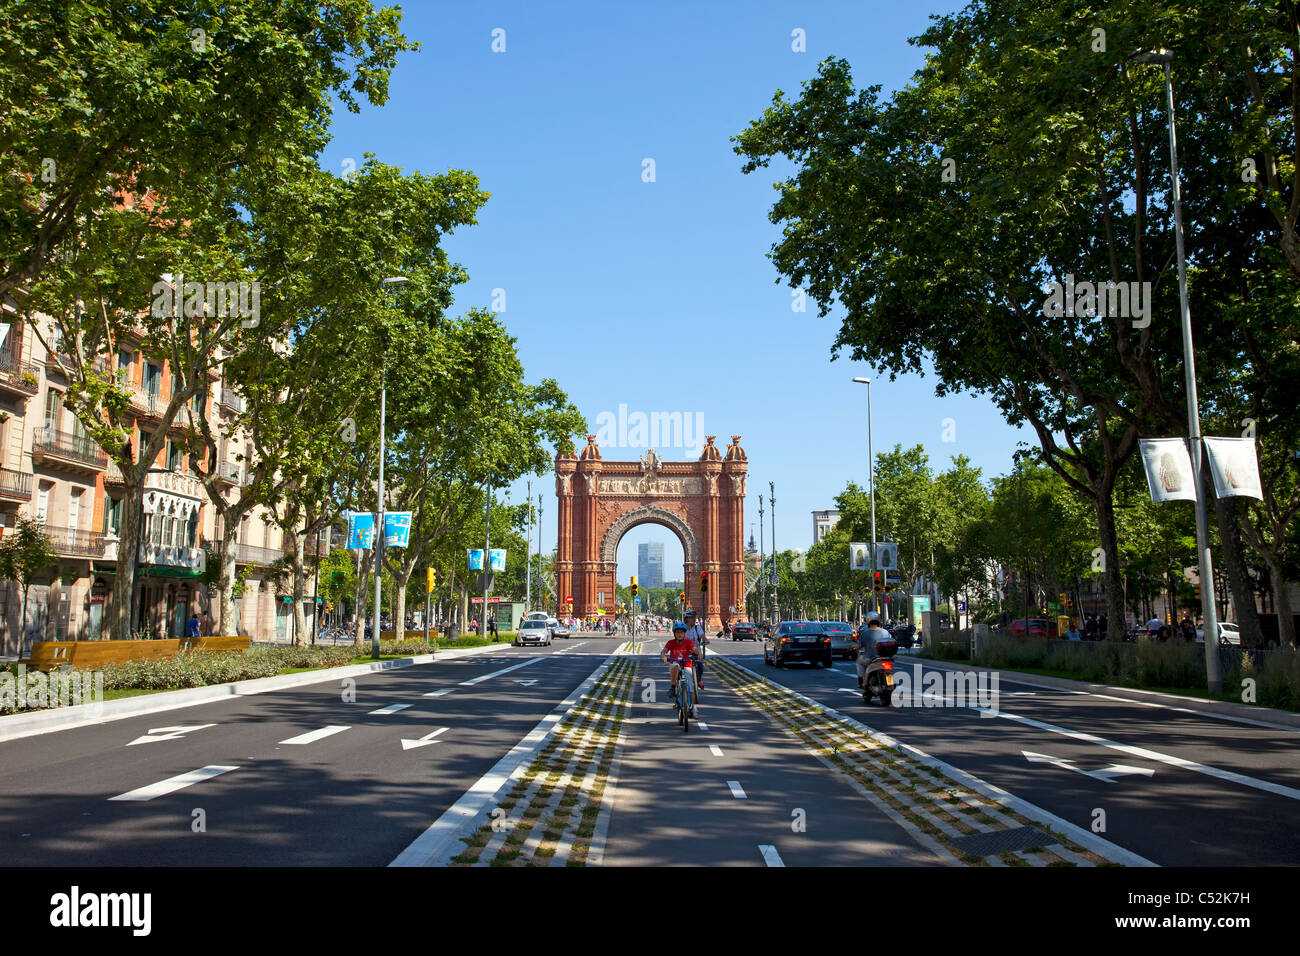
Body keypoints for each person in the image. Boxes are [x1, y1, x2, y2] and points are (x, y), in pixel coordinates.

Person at [660, 621, 700, 709]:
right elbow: (664, 651)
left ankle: (692, 708)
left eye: (681, 632)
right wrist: (663, 656)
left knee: (691, 686)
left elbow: (694, 649)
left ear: (685, 633)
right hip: (675, 663)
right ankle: (673, 687)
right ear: (674, 633)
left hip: (687, 664)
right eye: (677, 632)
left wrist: (699, 654)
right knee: (675, 666)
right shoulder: (671, 642)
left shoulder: (688, 642)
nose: (679, 634)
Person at [856, 617, 889, 688]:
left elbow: (860, 645)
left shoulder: (864, 633)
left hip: (870, 658)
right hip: (886, 658)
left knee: (859, 662)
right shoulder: (886, 632)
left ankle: (861, 680)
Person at [682, 609, 708, 689]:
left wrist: (705, 640)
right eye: (691, 617)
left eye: (694, 617)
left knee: (700, 665)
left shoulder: (697, 628)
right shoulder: (682, 629)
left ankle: (699, 680)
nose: (693, 619)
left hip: (696, 652)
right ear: (686, 618)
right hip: (684, 652)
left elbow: (703, 637)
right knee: (681, 666)